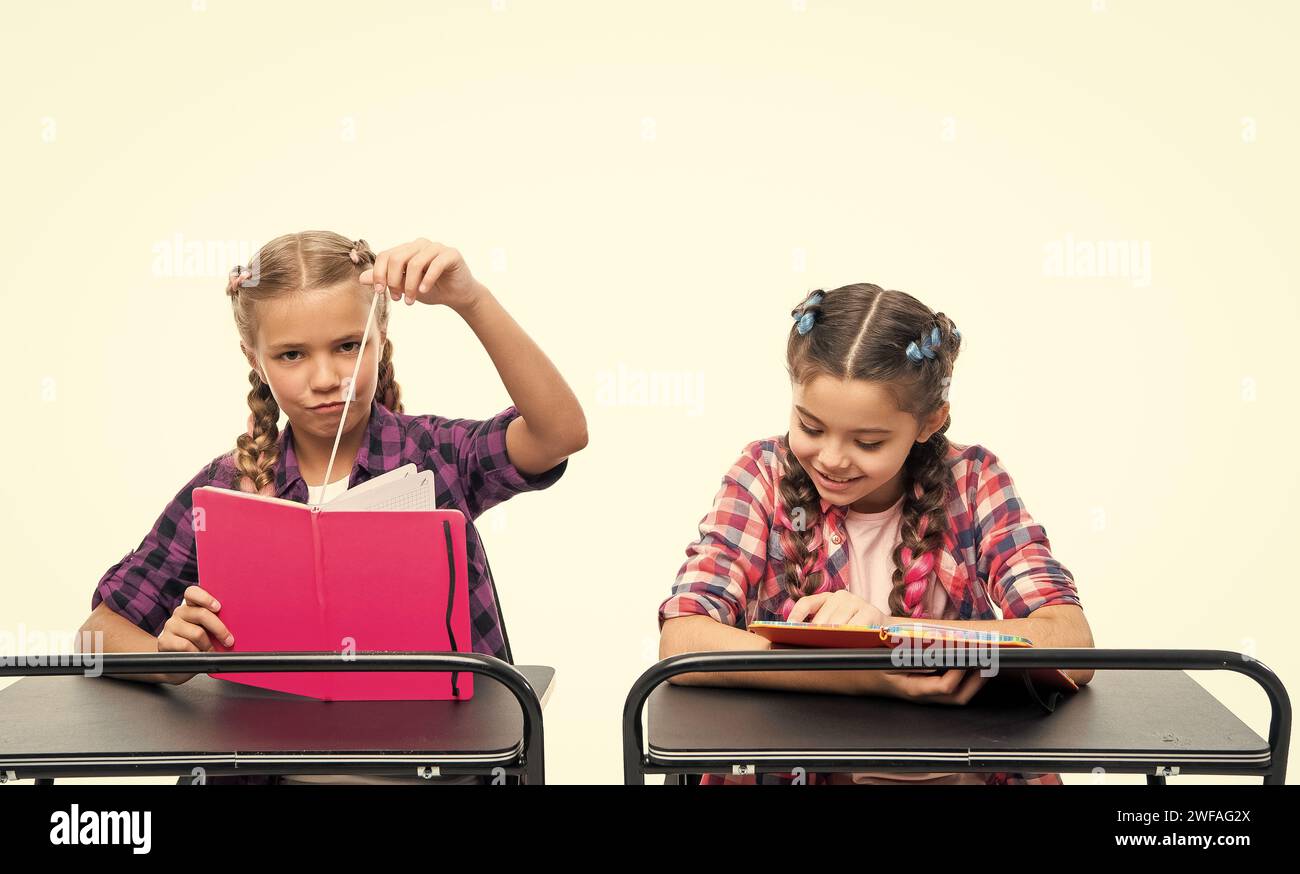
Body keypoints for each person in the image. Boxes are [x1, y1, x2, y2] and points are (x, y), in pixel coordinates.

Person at [78, 231, 586, 784]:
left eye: (348, 346)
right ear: (254, 357)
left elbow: (560, 432)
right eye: (292, 355)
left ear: (380, 337)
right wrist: (165, 658)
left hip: (441, 768)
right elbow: (96, 633)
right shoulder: (226, 491)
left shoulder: (436, 457)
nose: (325, 379)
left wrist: (472, 300)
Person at [657, 283, 1094, 785]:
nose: (833, 458)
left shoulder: (973, 481)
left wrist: (895, 637)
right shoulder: (763, 476)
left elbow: (1069, 642)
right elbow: (683, 642)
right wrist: (859, 672)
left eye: (868, 441)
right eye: (811, 427)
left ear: (931, 422)